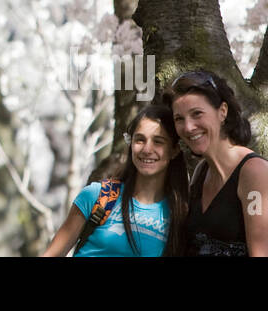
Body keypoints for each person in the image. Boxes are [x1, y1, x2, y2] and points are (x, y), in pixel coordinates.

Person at [164, 70, 268, 256]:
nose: (188, 127)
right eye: (179, 119)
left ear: (222, 111)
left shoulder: (255, 174)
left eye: (197, 114)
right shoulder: (201, 172)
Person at [41, 102, 188, 256]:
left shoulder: (179, 215)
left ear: (174, 150)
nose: (146, 149)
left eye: (158, 141)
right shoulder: (97, 196)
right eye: (140, 140)